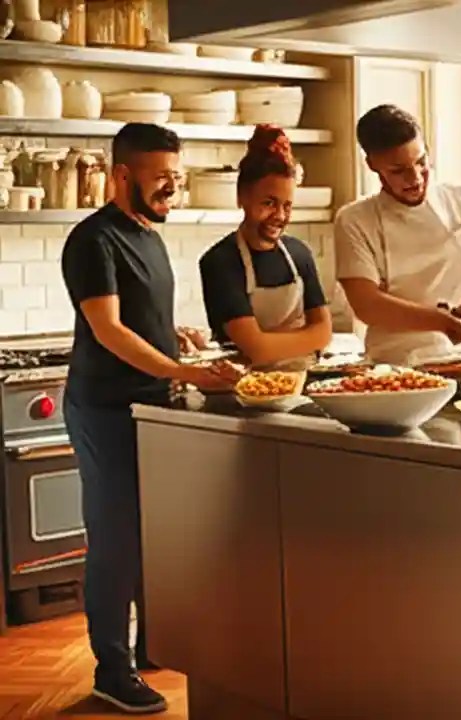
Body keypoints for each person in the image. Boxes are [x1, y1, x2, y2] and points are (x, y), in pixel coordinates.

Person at [61, 123, 234, 714]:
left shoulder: (150, 236)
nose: (172, 190)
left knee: (153, 536)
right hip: (105, 408)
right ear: (121, 176)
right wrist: (184, 373)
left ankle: (148, 645)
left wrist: (175, 338)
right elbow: (107, 329)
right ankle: (113, 670)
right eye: (161, 178)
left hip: (151, 406)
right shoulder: (93, 240)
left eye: (177, 178)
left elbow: (137, 318)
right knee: (115, 542)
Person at [335, 104, 461, 365]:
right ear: (372, 164)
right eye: (398, 170)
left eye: (421, 161)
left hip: (460, 360)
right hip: (391, 365)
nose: (415, 178)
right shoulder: (355, 220)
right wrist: (441, 321)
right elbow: (368, 305)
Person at [198, 125, 331, 369]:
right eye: (269, 203)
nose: (280, 215)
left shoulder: (299, 254)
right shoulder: (220, 261)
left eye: (287, 205)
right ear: (241, 197)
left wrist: (268, 344)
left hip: (303, 380)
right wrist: (304, 338)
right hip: (243, 391)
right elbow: (256, 349)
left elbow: (324, 333)